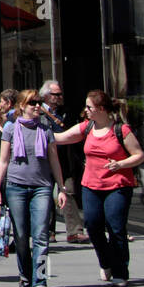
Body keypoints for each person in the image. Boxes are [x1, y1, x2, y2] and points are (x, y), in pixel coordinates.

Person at [53, 90, 144, 287]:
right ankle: (106, 262)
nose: (85, 110)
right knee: (93, 226)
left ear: (101, 109)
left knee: (115, 228)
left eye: (89, 107)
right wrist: (36, 131)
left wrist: (120, 164)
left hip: (118, 185)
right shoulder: (88, 127)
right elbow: (61, 138)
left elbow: (139, 155)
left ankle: (121, 272)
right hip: (91, 185)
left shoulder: (121, 130)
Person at [0, 90, 69, 287]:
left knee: (41, 235)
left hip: (42, 187)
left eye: (38, 102)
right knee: (21, 235)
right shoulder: (10, 128)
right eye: (32, 103)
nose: (37, 106)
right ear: (21, 106)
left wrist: (61, 188)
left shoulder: (45, 128)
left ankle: (40, 280)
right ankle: (25, 276)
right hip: (16, 187)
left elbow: (54, 160)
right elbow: (3, 160)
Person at [39, 80, 88, 243]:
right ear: (46, 96)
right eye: (55, 94)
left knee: (68, 191)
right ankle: (49, 231)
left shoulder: (66, 112)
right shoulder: (38, 113)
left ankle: (74, 231)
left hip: (64, 160)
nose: (59, 97)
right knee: (45, 194)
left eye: (60, 94)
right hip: (44, 160)